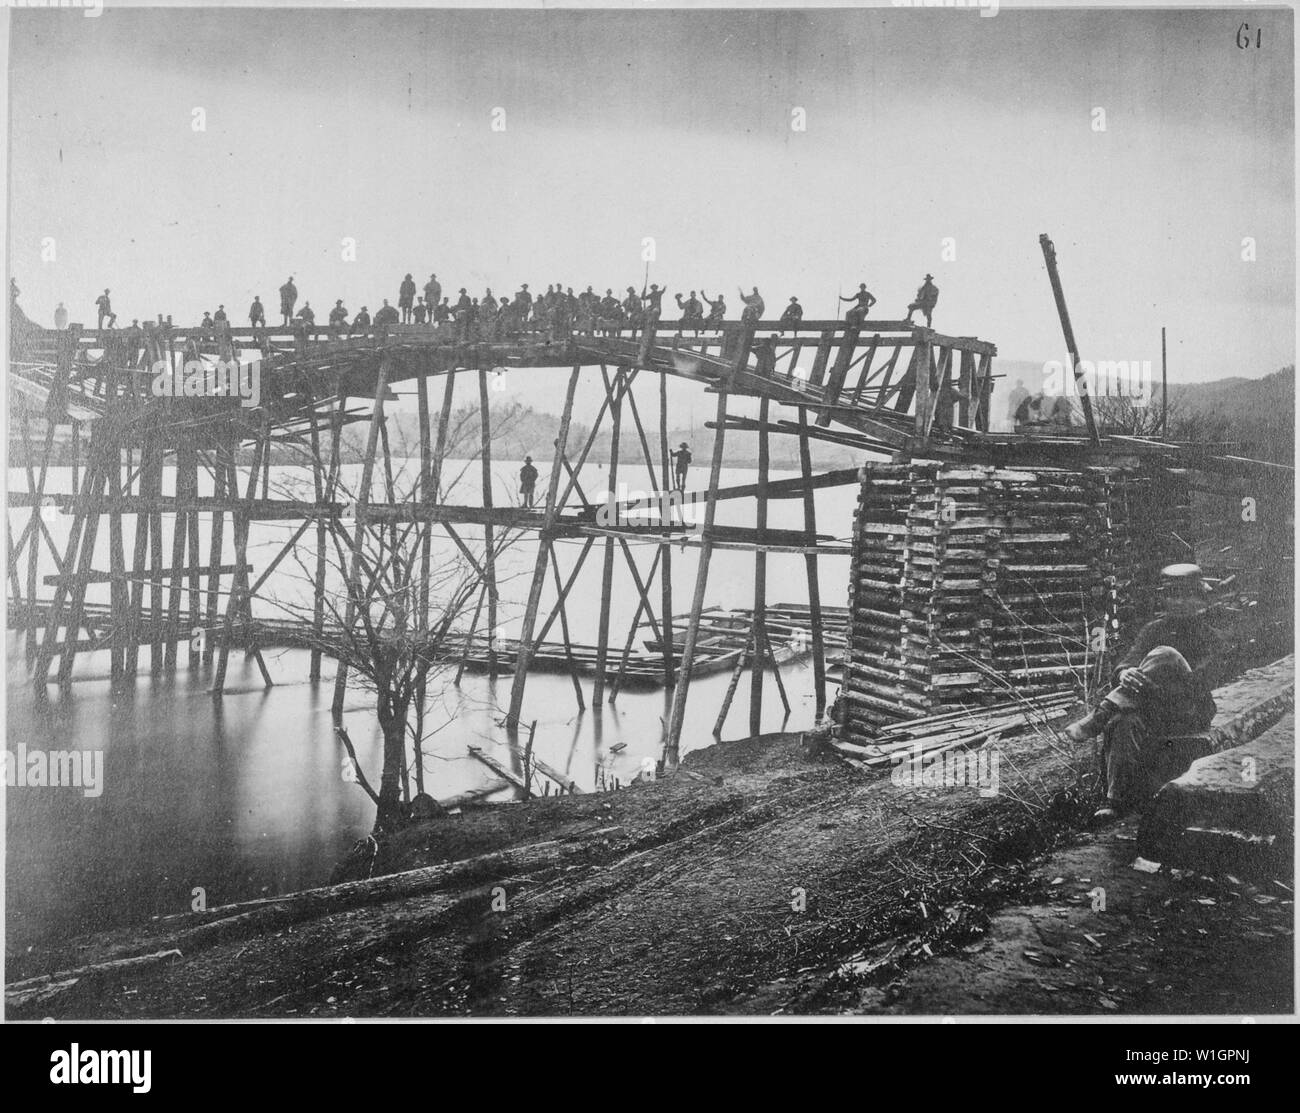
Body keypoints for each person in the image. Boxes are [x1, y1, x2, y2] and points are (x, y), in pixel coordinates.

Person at [1064, 564, 1221, 823]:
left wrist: (1151, 685)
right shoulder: (1153, 630)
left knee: (1165, 654)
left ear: (1199, 599)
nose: (1179, 602)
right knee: (1121, 722)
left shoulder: (1210, 635)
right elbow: (1128, 662)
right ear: (1164, 598)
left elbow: (1200, 683)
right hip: (1151, 710)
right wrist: (1126, 674)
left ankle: (1101, 712)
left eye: (1186, 595)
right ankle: (1114, 801)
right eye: (1172, 595)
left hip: (1189, 711)